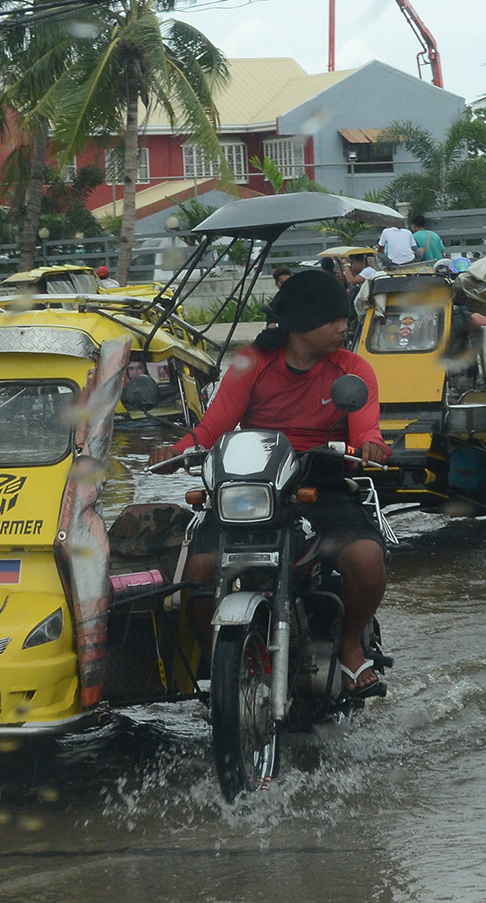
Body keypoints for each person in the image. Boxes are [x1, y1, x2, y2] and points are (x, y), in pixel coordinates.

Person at [166, 268, 394, 695]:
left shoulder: (352, 369)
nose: (345, 328)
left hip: (319, 487)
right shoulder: (252, 363)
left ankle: (349, 648)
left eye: (345, 318)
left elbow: (367, 428)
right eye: (334, 319)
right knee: (196, 574)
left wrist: (370, 445)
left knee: (366, 560)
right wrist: (177, 450)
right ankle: (223, 664)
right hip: (252, 490)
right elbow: (211, 429)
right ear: (301, 323)